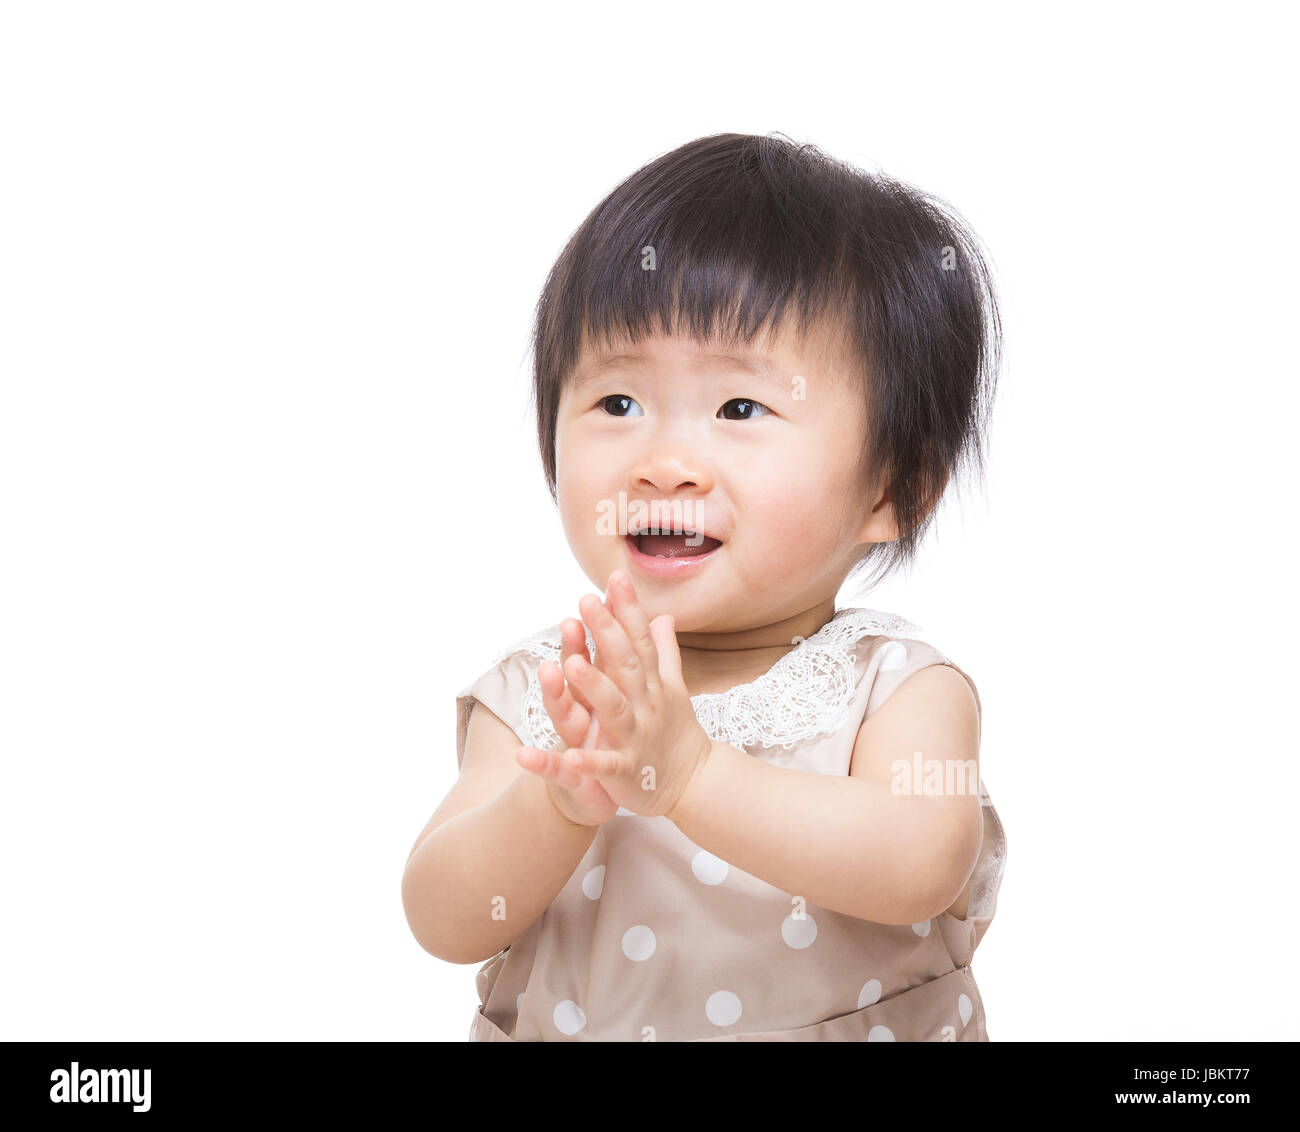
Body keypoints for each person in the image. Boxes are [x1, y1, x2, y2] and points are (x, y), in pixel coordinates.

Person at [402, 131, 1008, 1041]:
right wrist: (554, 803)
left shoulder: (894, 686)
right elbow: (444, 918)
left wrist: (689, 773)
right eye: (618, 403)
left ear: (892, 490)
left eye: (739, 408)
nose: (666, 463)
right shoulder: (548, 691)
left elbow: (920, 860)